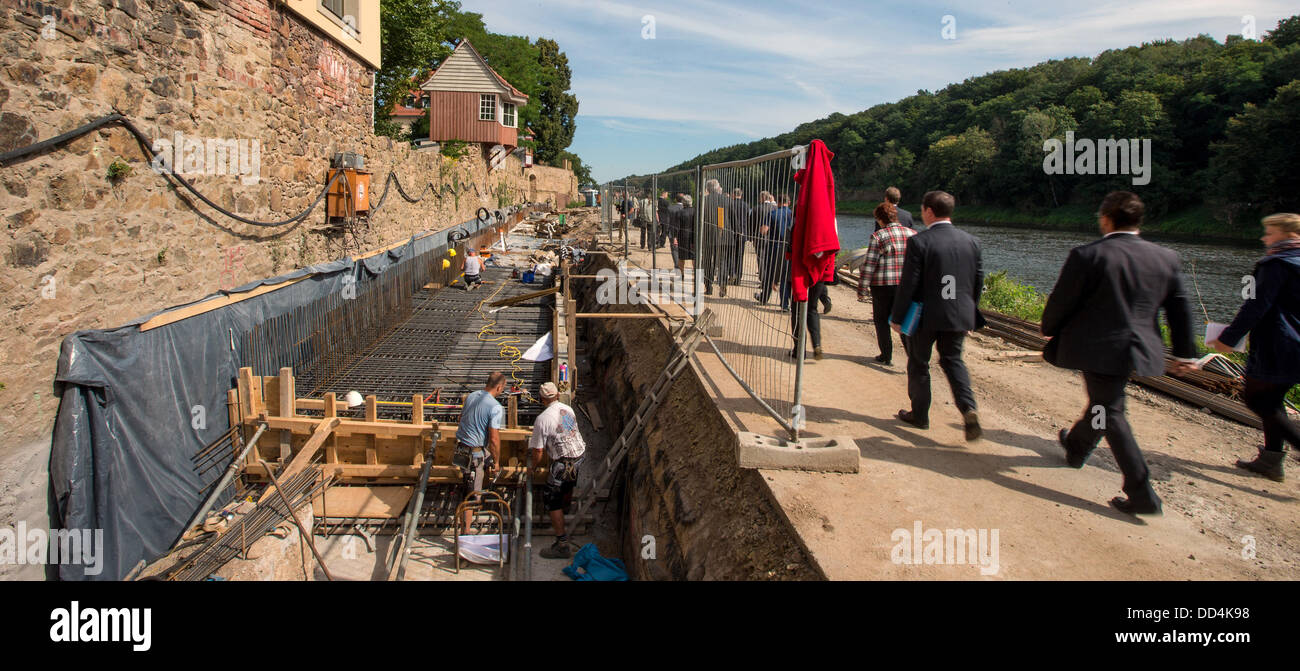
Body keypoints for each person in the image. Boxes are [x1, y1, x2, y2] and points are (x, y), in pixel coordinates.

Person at [1042, 191, 1198, 516]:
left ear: (1105, 218)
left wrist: (1049, 327)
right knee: (1105, 401)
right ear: (1139, 221)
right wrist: (1186, 353)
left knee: (1110, 410)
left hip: (1097, 347)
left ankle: (1141, 491)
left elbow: (1062, 299)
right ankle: (1077, 446)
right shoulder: (1166, 257)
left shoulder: (1088, 255)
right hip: (1139, 347)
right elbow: (1180, 309)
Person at [1207, 213, 1300, 482]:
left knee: (1257, 399)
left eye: (1269, 233)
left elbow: (1255, 306)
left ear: (1286, 234)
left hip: (1277, 344)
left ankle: (1283, 452)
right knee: (1274, 400)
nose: (1264, 238)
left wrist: (1228, 338)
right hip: (1295, 346)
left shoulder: (1276, 264)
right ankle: (1270, 461)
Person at [891, 190, 983, 441]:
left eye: (922, 209)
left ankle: (920, 416)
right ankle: (968, 407)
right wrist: (971, 313)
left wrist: (897, 317)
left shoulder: (920, 242)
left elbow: (909, 283)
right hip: (958, 315)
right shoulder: (972, 242)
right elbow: (977, 280)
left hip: (925, 314)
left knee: (919, 362)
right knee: (953, 361)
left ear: (929, 211)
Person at [529, 382, 587, 559]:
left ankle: (562, 545)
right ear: (556, 395)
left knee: (551, 500)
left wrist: (532, 468)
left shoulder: (542, 419)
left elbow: (538, 451)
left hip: (563, 462)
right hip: (579, 455)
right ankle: (566, 508)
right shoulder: (566, 408)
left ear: (542, 399)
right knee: (568, 484)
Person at [860, 201, 915, 366]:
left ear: (880, 219)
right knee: (904, 322)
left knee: (881, 321)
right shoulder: (913, 234)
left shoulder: (878, 236)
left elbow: (869, 265)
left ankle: (886, 355)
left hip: (882, 286)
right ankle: (913, 356)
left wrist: (862, 288)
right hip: (905, 286)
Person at [455, 372, 507, 531]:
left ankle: (477, 486)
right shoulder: (495, 407)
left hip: (461, 449)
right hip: (474, 454)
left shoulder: (471, 396)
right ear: (499, 387)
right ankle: (465, 533)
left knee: (467, 481)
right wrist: (497, 462)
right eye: (502, 389)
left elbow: (460, 418)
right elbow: (494, 439)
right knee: (471, 495)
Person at [700, 179, 731, 296]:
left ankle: (708, 286)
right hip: (724, 235)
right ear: (718, 188)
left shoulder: (703, 201)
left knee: (708, 261)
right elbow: (732, 217)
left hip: (708, 236)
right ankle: (722, 282)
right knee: (722, 261)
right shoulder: (726, 199)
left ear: (707, 189)